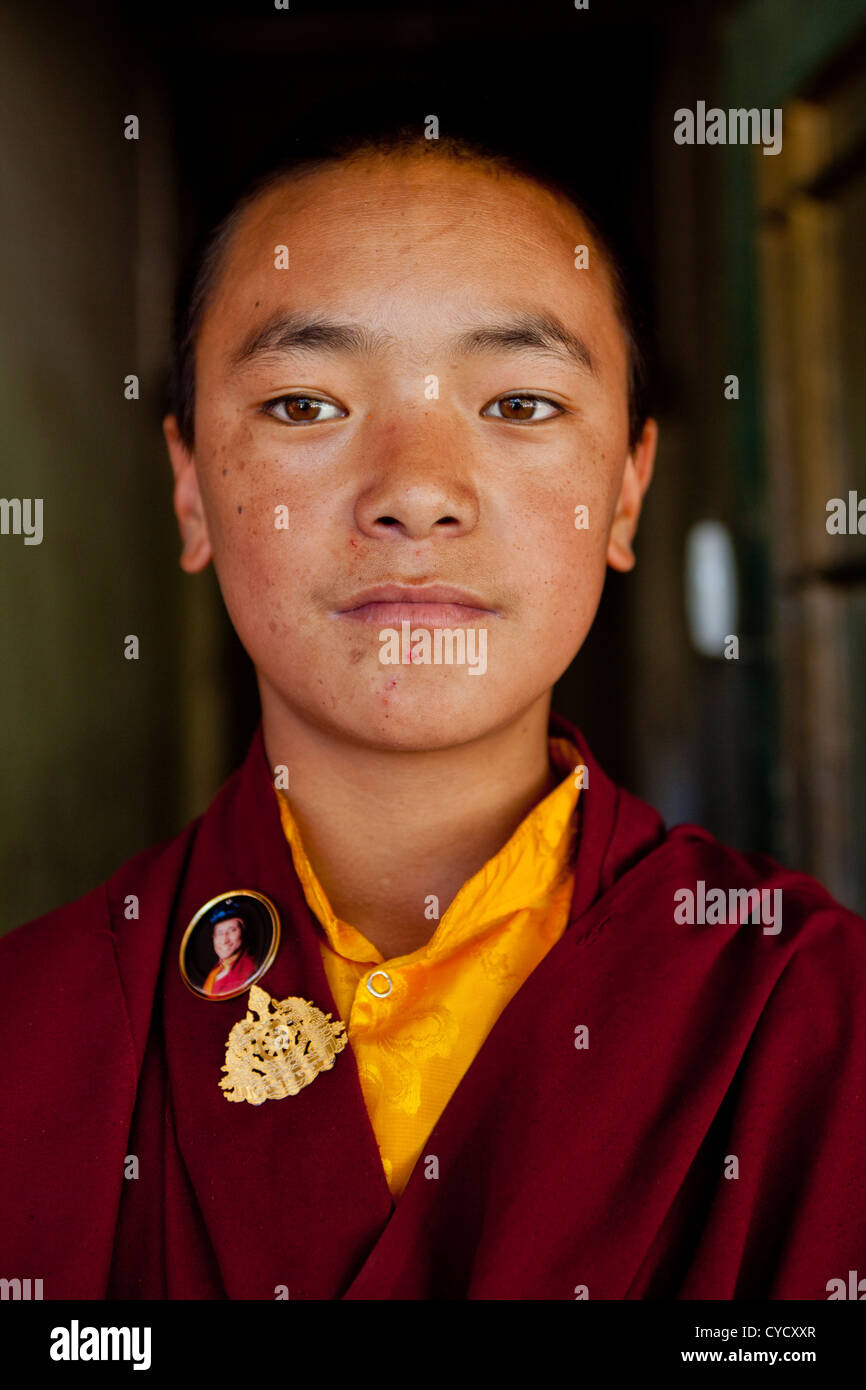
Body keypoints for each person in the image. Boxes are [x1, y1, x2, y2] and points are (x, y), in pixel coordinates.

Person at [1, 129, 864, 1301]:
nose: (416, 490)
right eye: (305, 402)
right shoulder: (34, 1031)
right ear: (191, 486)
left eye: (518, 399)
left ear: (625, 491)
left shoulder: (810, 1015)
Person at [200, 914, 257, 997]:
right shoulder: (217, 970)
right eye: (219, 933)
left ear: (243, 933)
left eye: (232, 930)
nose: (224, 940)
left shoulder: (249, 969)